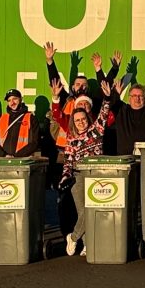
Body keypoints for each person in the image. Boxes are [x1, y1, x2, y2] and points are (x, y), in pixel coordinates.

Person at [53, 79, 113, 257]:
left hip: (95, 175)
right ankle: (87, 245)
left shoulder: (96, 131)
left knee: (91, 209)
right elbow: (68, 161)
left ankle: (73, 237)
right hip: (78, 177)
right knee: (83, 212)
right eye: (77, 120)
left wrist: (107, 98)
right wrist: (65, 176)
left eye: (83, 119)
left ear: (88, 119)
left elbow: (104, 113)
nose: (80, 122)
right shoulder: (71, 138)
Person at [0, 88, 40, 158]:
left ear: (21, 99)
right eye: (9, 100)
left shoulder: (31, 118)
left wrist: (16, 156)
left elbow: (35, 142)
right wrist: (4, 155)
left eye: (15, 99)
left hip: (23, 159)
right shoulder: (2, 118)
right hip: (4, 160)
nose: (12, 102)